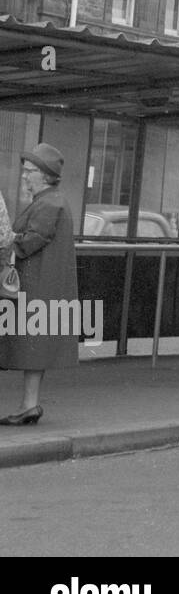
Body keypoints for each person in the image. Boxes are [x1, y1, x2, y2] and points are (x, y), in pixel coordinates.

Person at [0, 144, 80, 425]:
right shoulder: (50, 201)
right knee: (34, 346)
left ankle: (29, 405)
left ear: (45, 176)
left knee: (32, 344)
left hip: (37, 286)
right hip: (40, 285)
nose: (24, 176)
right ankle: (29, 405)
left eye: (29, 171)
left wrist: (7, 244)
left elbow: (31, 240)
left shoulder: (48, 203)